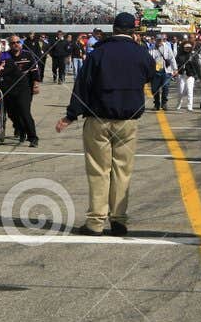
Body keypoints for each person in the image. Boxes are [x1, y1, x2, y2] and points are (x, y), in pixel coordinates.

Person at [55, 12, 154, 236]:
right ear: (133, 31)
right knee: (122, 171)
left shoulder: (98, 52)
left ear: (114, 28)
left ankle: (96, 222)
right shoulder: (141, 53)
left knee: (99, 171)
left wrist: (70, 116)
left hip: (98, 118)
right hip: (128, 120)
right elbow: (151, 75)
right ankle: (119, 219)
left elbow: (82, 86)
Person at [0, 34, 41, 147]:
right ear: (9, 45)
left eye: (18, 42)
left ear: (21, 43)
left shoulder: (28, 55)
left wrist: (35, 85)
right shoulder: (5, 56)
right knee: (12, 114)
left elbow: (35, 72)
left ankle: (33, 137)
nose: (16, 44)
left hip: (25, 89)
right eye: (13, 43)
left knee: (24, 112)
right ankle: (20, 129)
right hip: (9, 89)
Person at [176, 38, 201, 111]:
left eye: (189, 47)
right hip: (181, 75)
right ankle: (179, 104)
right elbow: (176, 64)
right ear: (183, 47)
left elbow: (197, 66)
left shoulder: (193, 55)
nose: (187, 49)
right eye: (186, 47)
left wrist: (199, 76)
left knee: (190, 90)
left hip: (190, 75)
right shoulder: (179, 55)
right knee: (181, 91)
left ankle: (189, 106)